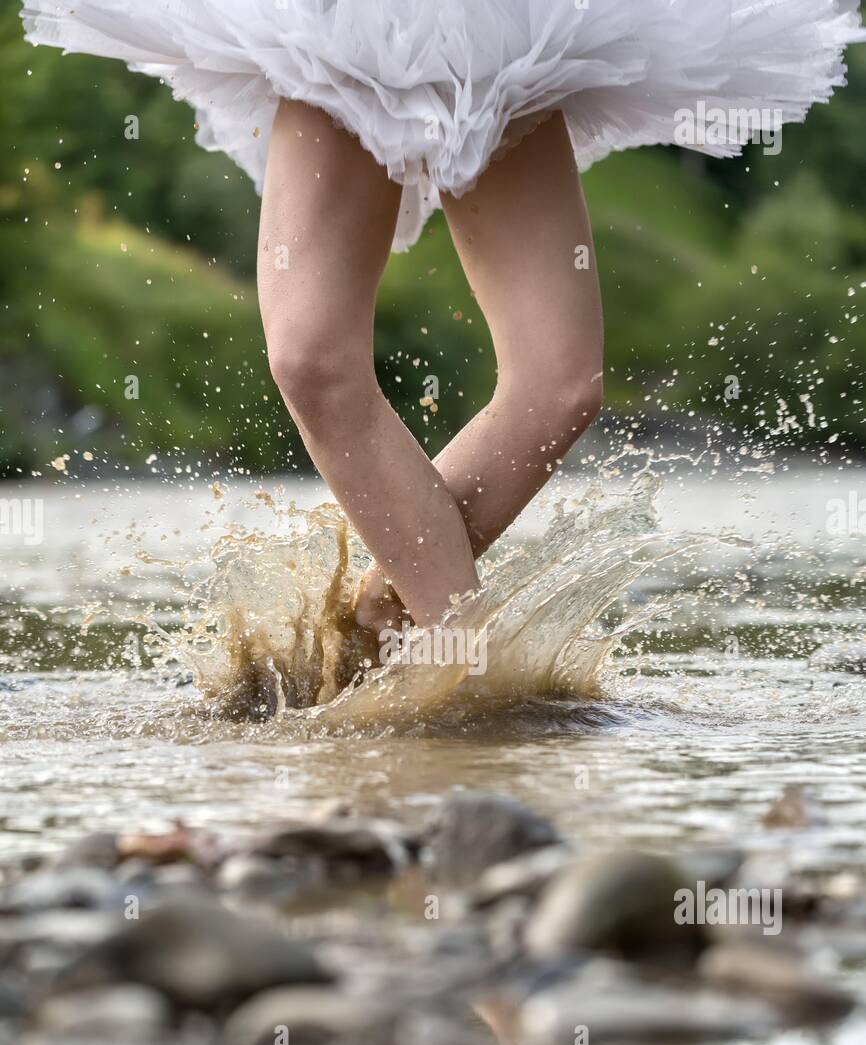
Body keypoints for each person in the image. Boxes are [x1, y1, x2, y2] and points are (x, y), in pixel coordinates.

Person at [22, 1, 864, 636]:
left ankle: (392, 641)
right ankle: (458, 671)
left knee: (560, 384)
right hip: (329, 21)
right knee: (313, 357)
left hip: (495, 25)